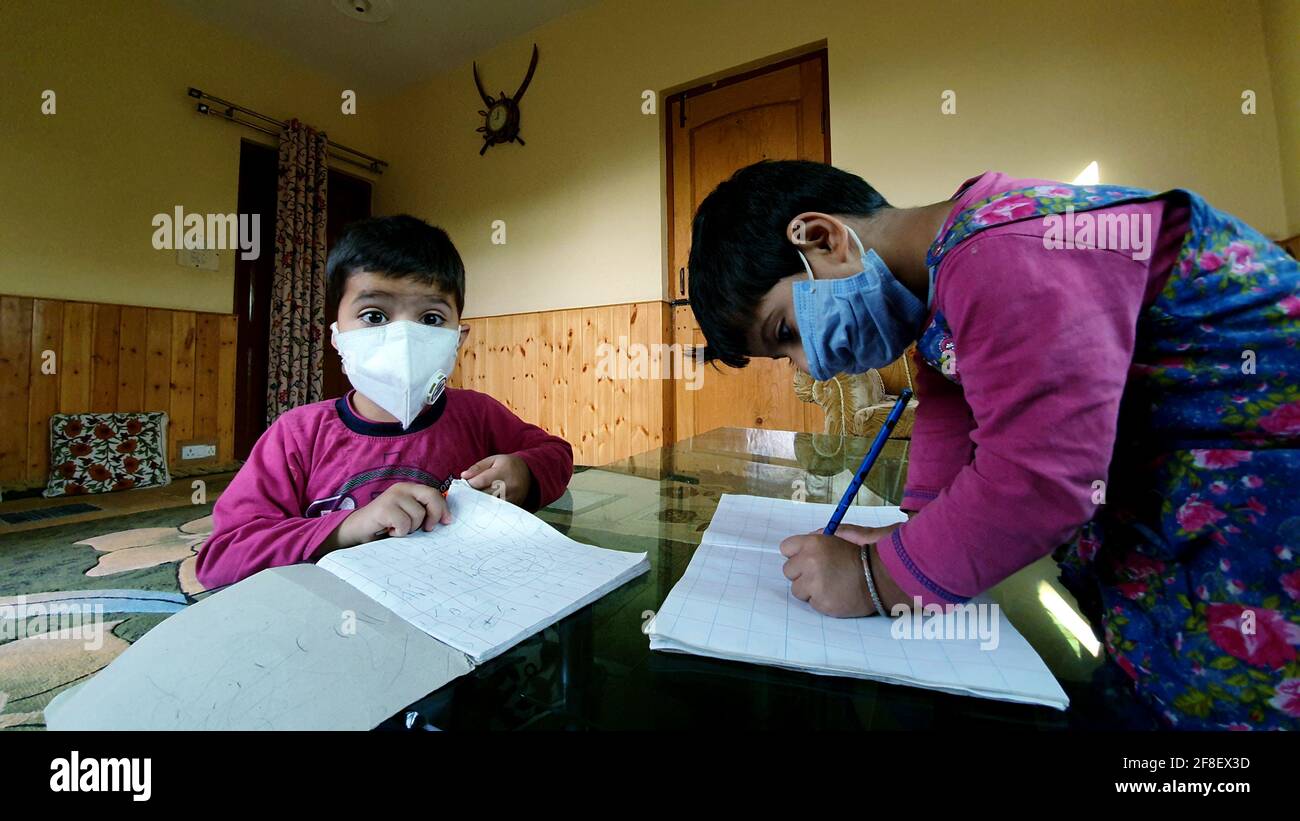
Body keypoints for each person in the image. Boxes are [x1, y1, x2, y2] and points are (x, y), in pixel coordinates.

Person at [686, 159, 1300, 729]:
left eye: (786, 332)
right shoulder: (947, 272)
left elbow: (1036, 480)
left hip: (1263, 516)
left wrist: (878, 578)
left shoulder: (1000, 251)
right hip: (1172, 526)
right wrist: (915, 529)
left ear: (822, 237)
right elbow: (948, 405)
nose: (809, 368)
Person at [196, 215, 574, 588]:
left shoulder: (477, 413)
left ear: (458, 339)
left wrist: (523, 472)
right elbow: (224, 555)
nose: (403, 338)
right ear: (337, 336)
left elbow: (556, 453)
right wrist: (347, 527)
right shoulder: (297, 435)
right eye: (374, 315)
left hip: (461, 603)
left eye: (430, 317)